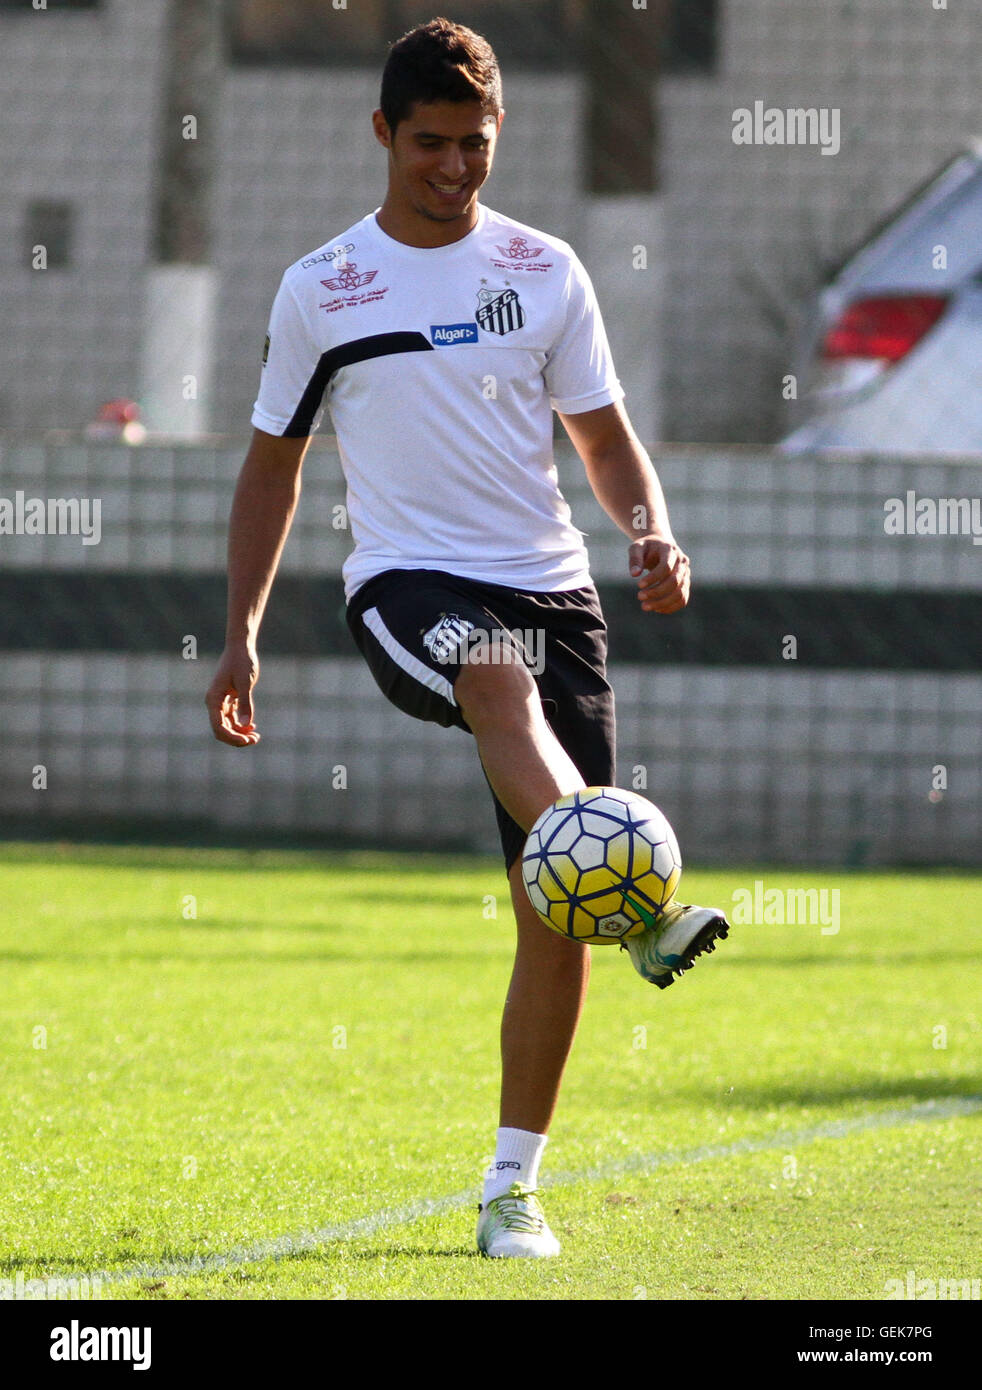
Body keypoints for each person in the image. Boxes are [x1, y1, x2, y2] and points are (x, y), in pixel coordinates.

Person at [206, 16, 729, 1260]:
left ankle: (510, 1192)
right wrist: (238, 633)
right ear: (382, 133)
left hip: (555, 593)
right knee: (497, 685)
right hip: (406, 584)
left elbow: (600, 439)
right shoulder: (321, 286)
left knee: (551, 914)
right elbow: (271, 470)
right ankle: (646, 907)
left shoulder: (546, 270)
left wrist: (650, 530)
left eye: (475, 145)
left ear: (502, 135)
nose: (452, 167)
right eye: (429, 143)